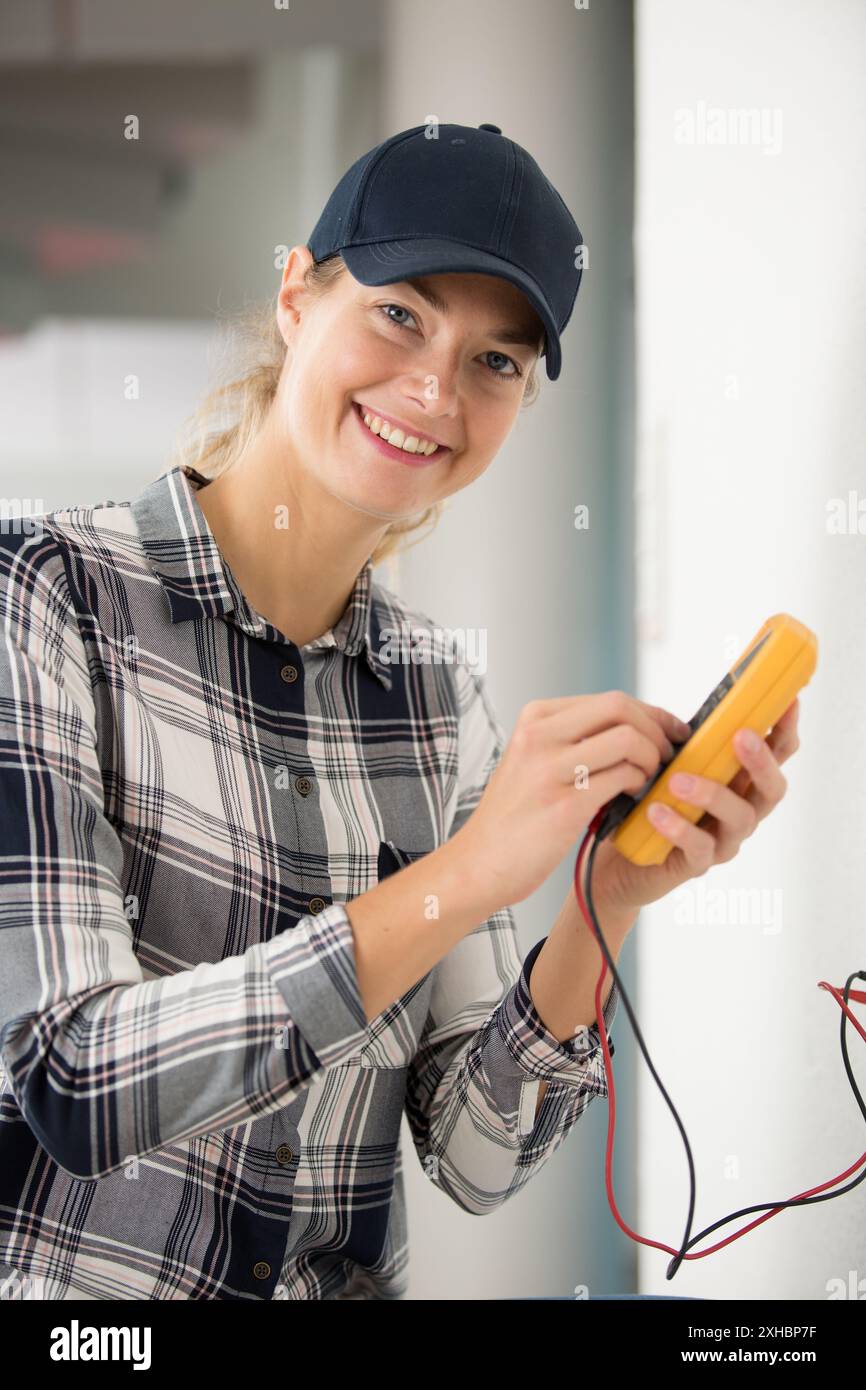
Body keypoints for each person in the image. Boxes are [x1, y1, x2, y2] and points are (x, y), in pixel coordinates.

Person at [0, 122, 799, 1301]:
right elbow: (75, 1082)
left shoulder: (436, 696)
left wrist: (605, 898)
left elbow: (476, 1158)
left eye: (496, 362)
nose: (433, 390)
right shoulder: (49, 596)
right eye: (400, 315)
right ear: (294, 296)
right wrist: (460, 875)